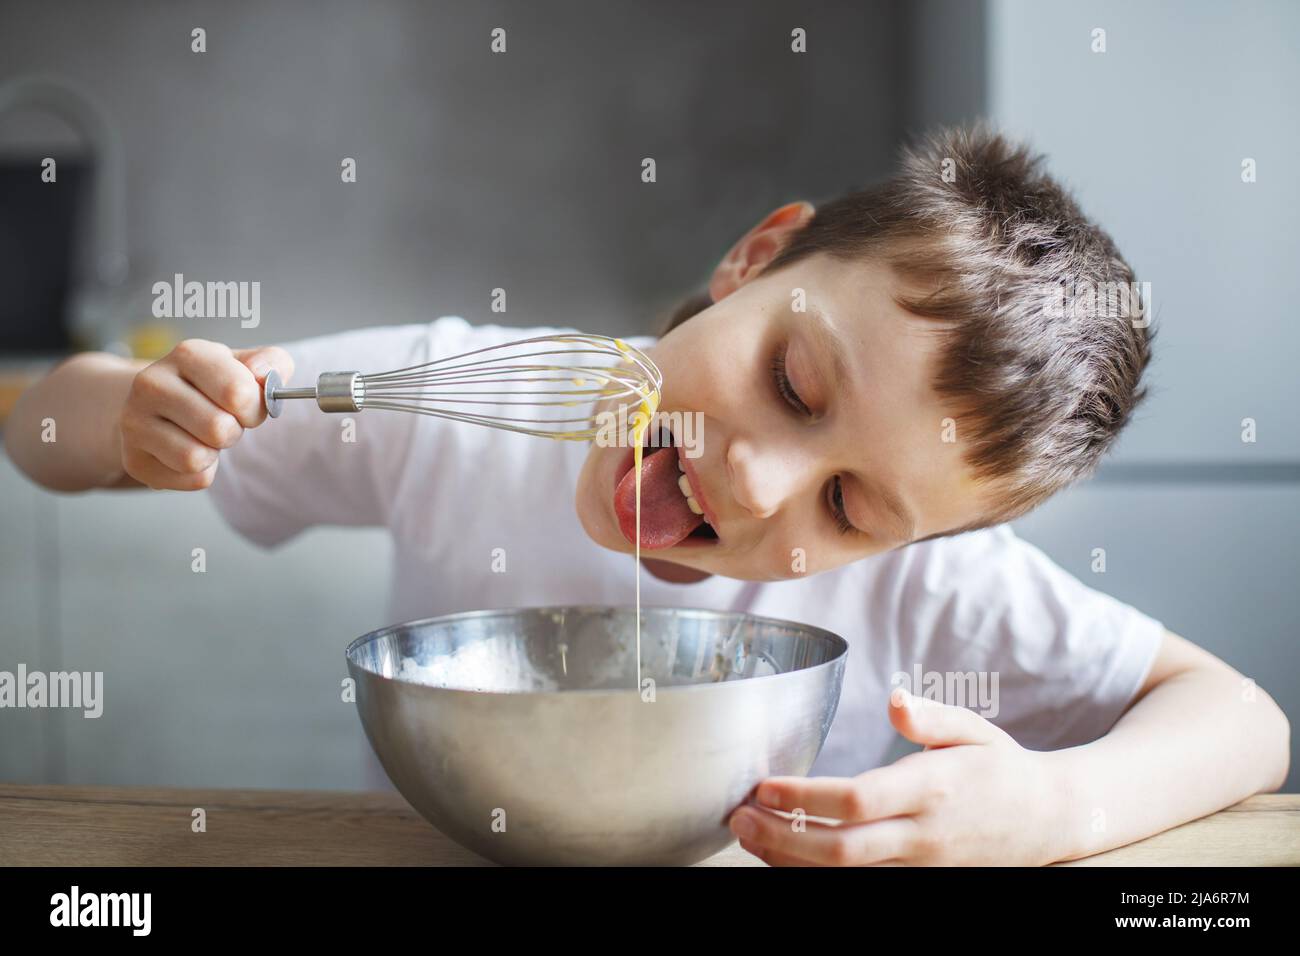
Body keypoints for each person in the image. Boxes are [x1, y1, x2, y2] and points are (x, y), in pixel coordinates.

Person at [7, 126, 1288, 866]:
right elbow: (41, 433)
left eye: (847, 510)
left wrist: (1057, 803)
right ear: (753, 259)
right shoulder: (453, 396)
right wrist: (124, 410)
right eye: (792, 383)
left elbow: (1242, 719)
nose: (761, 479)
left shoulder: (930, 579)